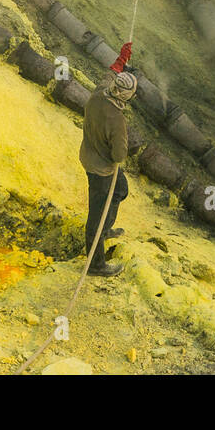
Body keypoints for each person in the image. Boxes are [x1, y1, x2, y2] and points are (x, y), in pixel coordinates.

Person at [79, 41, 135, 277]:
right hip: (101, 169)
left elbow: (111, 72)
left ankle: (106, 229)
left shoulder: (99, 93)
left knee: (121, 189)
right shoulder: (116, 120)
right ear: (127, 95)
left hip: (89, 154)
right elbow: (119, 155)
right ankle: (96, 264)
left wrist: (122, 59)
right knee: (96, 216)